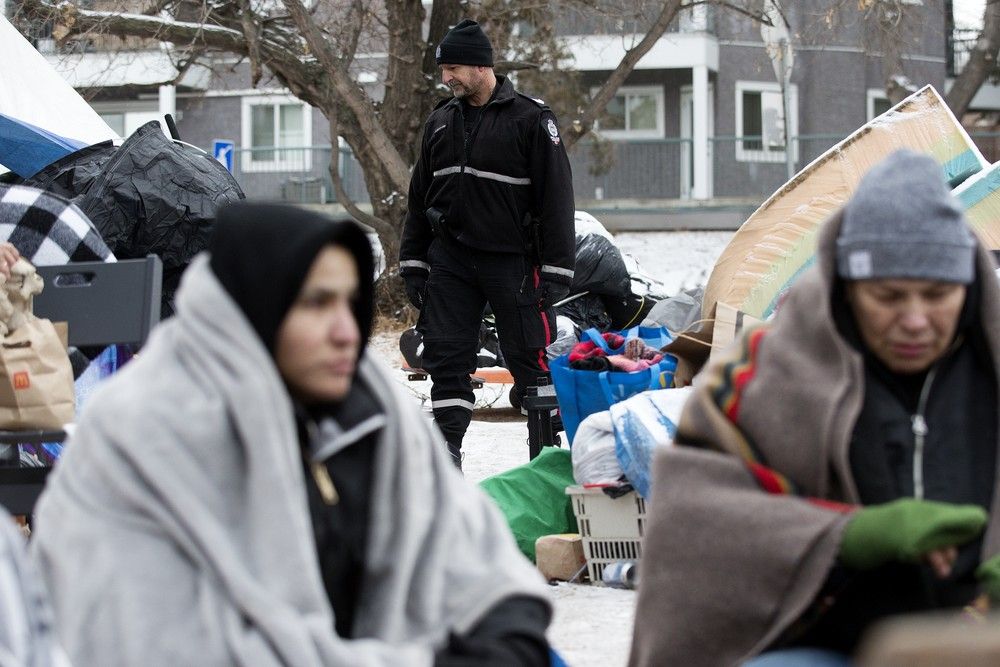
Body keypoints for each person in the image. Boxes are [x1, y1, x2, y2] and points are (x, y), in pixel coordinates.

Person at [30, 203, 553, 665]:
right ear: (252, 310)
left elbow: (469, 549)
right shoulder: (137, 436)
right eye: (316, 303)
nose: (348, 330)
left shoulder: (367, 404)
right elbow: (159, 645)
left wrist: (508, 625)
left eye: (350, 303)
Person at [629, 150, 1000, 666]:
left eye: (938, 295)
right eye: (889, 297)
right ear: (846, 290)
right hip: (824, 642)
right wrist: (845, 537)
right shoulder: (760, 377)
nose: (916, 320)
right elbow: (695, 520)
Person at [399, 18, 575, 467]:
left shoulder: (532, 120)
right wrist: (414, 263)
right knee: (447, 359)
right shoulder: (439, 122)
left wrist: (556, 271)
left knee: (529, 359)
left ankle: (545, 462)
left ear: (481, 66)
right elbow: (419, 200)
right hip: (451, 263)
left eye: (454, 68)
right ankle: (445, 461)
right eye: (443, 70)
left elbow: (557, 200)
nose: (446, 78)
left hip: (512, 264)